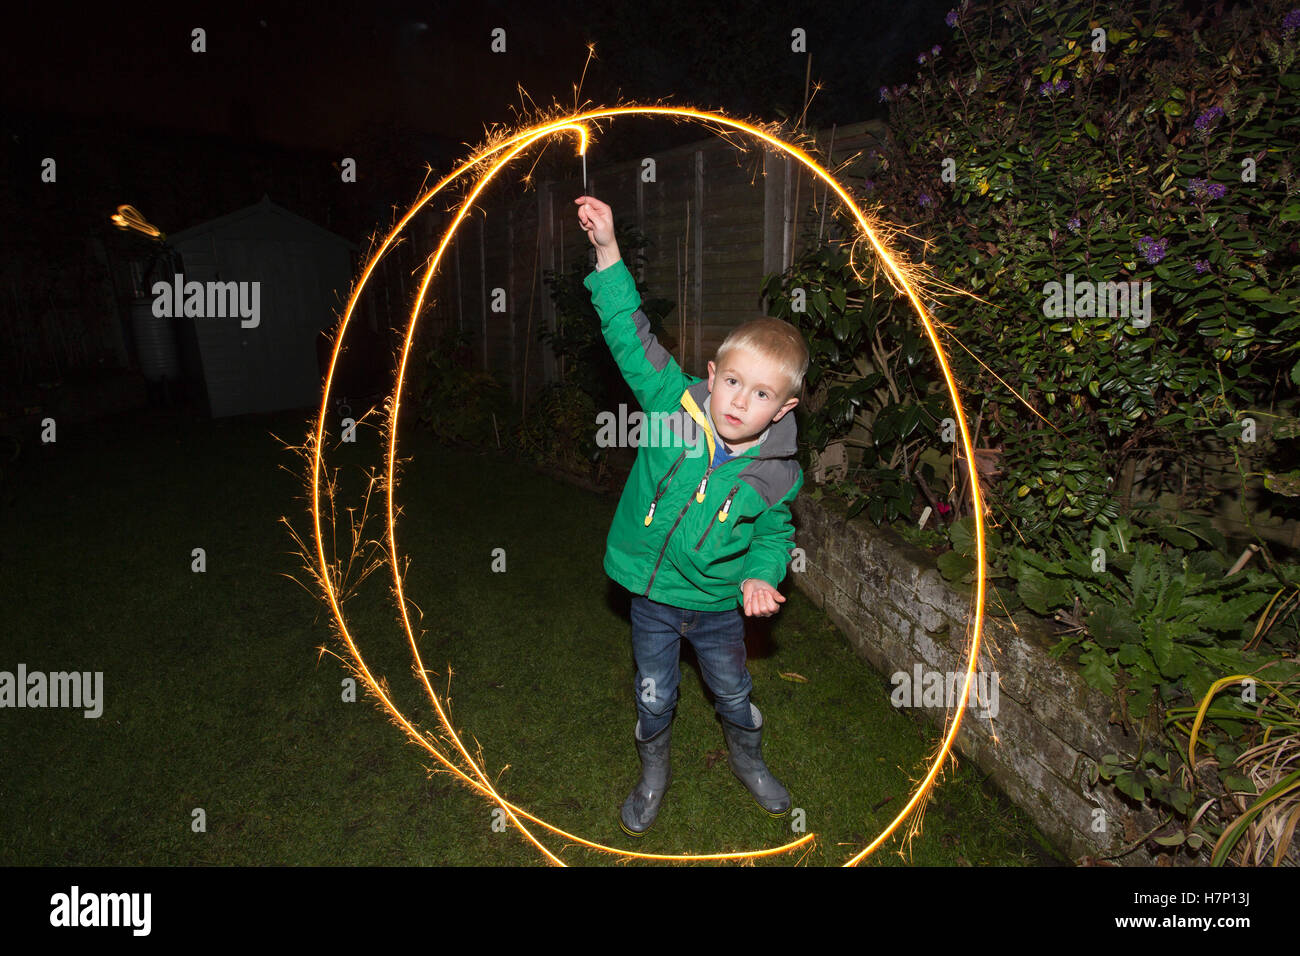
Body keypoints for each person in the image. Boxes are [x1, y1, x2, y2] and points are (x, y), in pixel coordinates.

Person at [575, 195, 808, 837]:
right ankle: (653, 774)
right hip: (652, 598)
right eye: (733, 382)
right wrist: (607, 250)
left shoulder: (777, 474)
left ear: (782, 411)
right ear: (712, 373)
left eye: (761, 393)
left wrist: (764, 575)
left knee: (732, 692)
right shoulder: (671, 406)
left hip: (716, 607)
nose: (739, 401)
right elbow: (629, 333)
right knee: (655, 695)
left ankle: (748, 758)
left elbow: (773, 532)